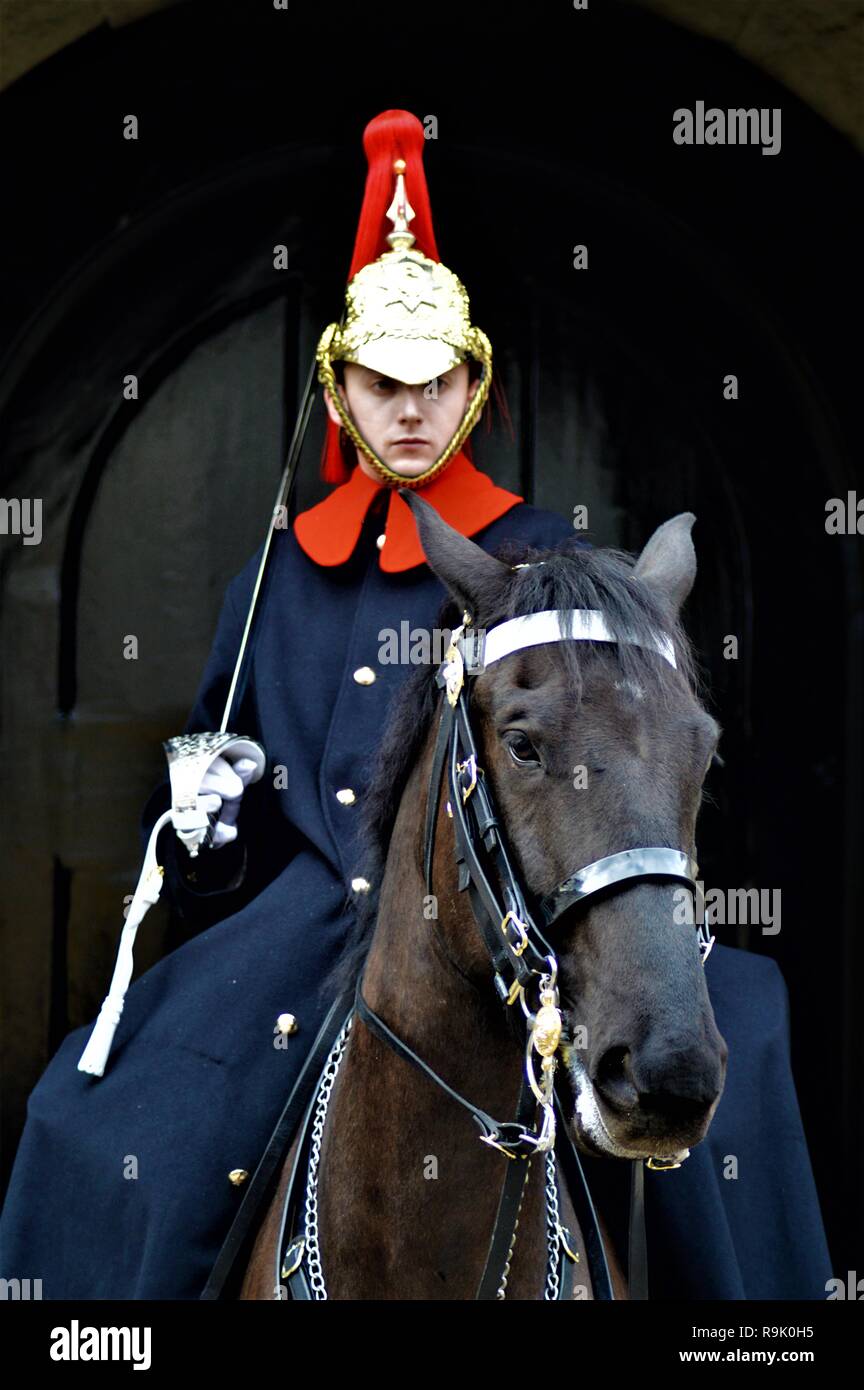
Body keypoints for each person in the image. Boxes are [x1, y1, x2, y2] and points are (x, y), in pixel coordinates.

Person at [0, 110, 832, 1303]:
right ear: (338, 388)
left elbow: (622, 755)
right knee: (106, 1111)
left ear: (473, 385)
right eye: (381, 383)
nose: (408, 409)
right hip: (309, 921)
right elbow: (203, 857)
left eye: (434, 383)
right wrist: (203, 818)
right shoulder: (275, 574)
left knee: (732, 1022)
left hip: (525, 913)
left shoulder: (546, 567)